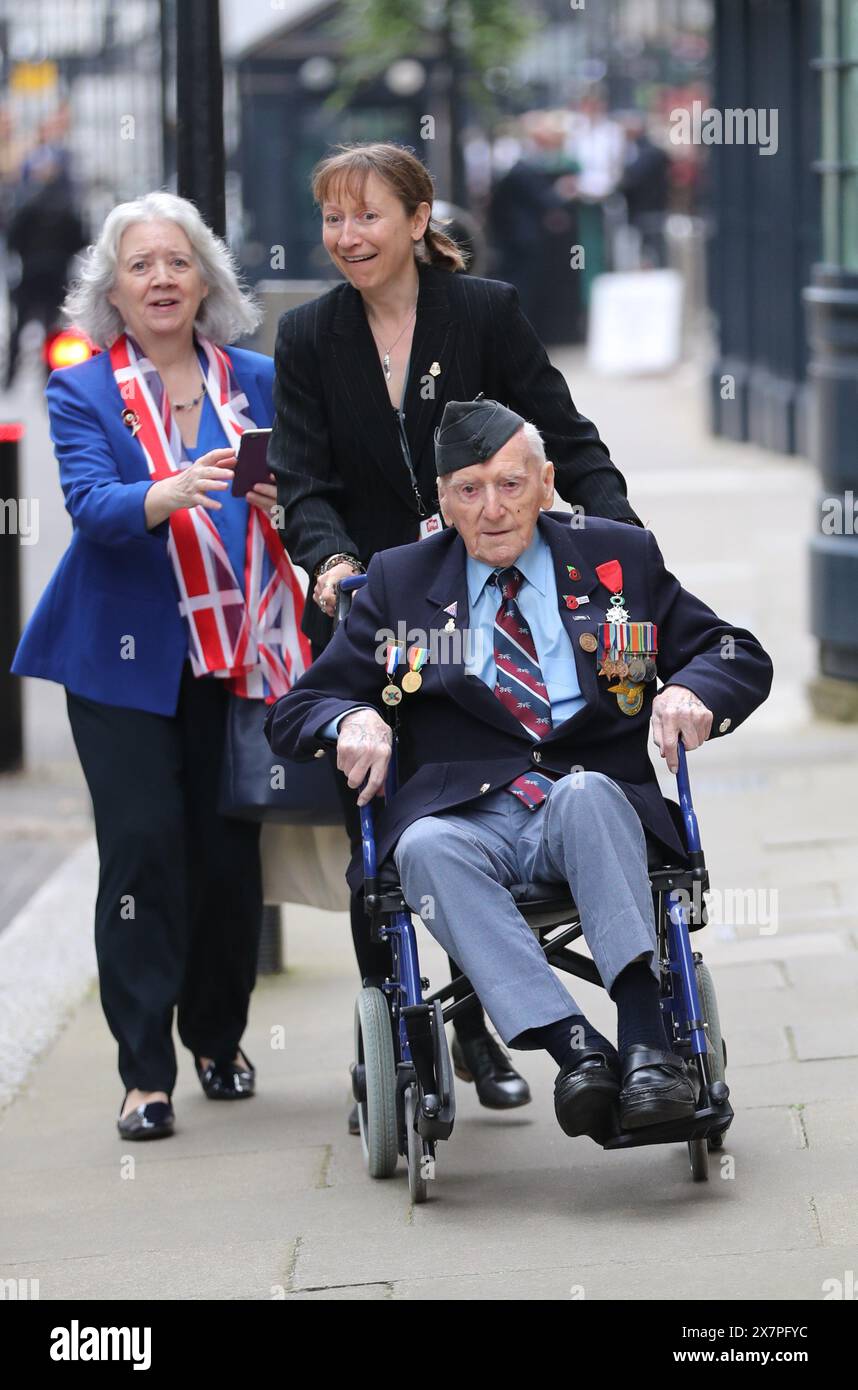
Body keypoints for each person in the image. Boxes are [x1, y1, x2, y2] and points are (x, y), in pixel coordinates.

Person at [265, 397, 773, 1143]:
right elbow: (298, 707)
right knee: (424, 846)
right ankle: (580, 1052)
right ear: (442, 500)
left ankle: (647, 1042)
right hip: (466, 821)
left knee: (591, 794)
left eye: (510, 484)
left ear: (546, 482)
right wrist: (351, 717)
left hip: (587, 806)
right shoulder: (403, 584)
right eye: (468, 489)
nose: (493, 508)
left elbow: (734, 651)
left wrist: (694, 690)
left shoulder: (615, 559)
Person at [268, 141, 642, 1122]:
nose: (347, 237)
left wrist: (621, 543)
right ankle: (403, 1040)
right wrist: (336, 563)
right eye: (333, 219)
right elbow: (304, 484)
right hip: (382, 611)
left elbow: (564, 437)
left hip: (500, 587)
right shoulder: (309, 335)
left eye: (368, 216)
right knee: (385, 827)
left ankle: (485, 1020)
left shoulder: (482, 312)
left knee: (509, 795)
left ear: (419, 214)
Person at [12, 192, 305, 1140]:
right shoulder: (84, 388)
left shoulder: (257, 377)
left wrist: (283, 504)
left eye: (177, 262)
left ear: (207, 279)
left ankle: (218, 1040)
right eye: (140, 266)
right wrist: (170, 489)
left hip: (237, 657)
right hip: (120, 663)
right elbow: (95, 509)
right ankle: (144, 1075)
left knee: (226, 859)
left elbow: (304, 491)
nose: (161, 280)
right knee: (143, 854)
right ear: (114, 289)